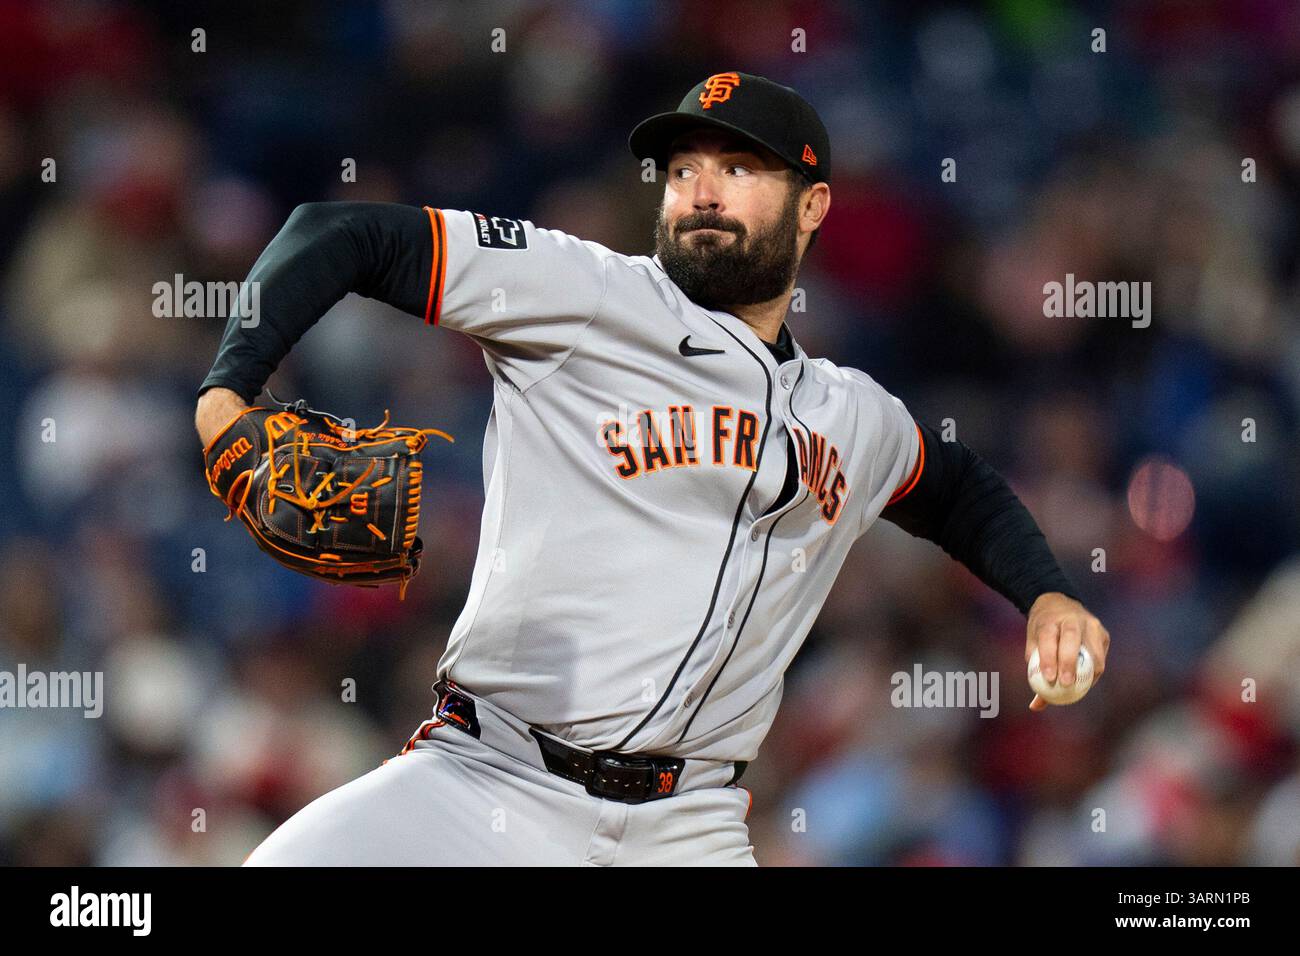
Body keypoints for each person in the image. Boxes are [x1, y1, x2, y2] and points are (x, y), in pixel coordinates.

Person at [195, 71, 1109, 866]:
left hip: (690, 825)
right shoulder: (586, 293)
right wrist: (227, 392)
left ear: (815, 206)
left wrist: (1048, 595)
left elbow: (953, 488)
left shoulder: (853, 412)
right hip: (487, 783)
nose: (702, 192)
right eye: (682, 171)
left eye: (738, 169)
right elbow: (343, 232)